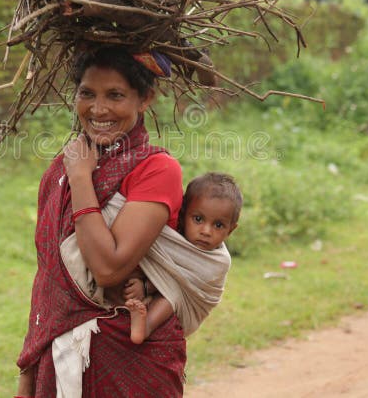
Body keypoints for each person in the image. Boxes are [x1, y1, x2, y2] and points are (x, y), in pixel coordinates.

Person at [15, 46, 186, 397]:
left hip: (130, 358)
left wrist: (80, 178)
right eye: (87, 93)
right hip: (60, 355)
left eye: (116, 95)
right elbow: (49, 279)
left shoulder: (155, 170)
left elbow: (108, 269)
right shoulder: (58, 172)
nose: (99, 109)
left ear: (146, 99)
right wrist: (28, 370)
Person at [124, 172, 242, 344]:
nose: (206, 231)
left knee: (173, 296)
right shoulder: (171, 239)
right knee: (171, 291)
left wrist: (146, 287)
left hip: (185, 308)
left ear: (230, 230)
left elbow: (181, 281)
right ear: (183, 215)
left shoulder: (220, 262)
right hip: (153, 292)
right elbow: (162, 266)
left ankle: (145, 326)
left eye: (218, 225)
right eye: (198, 219)